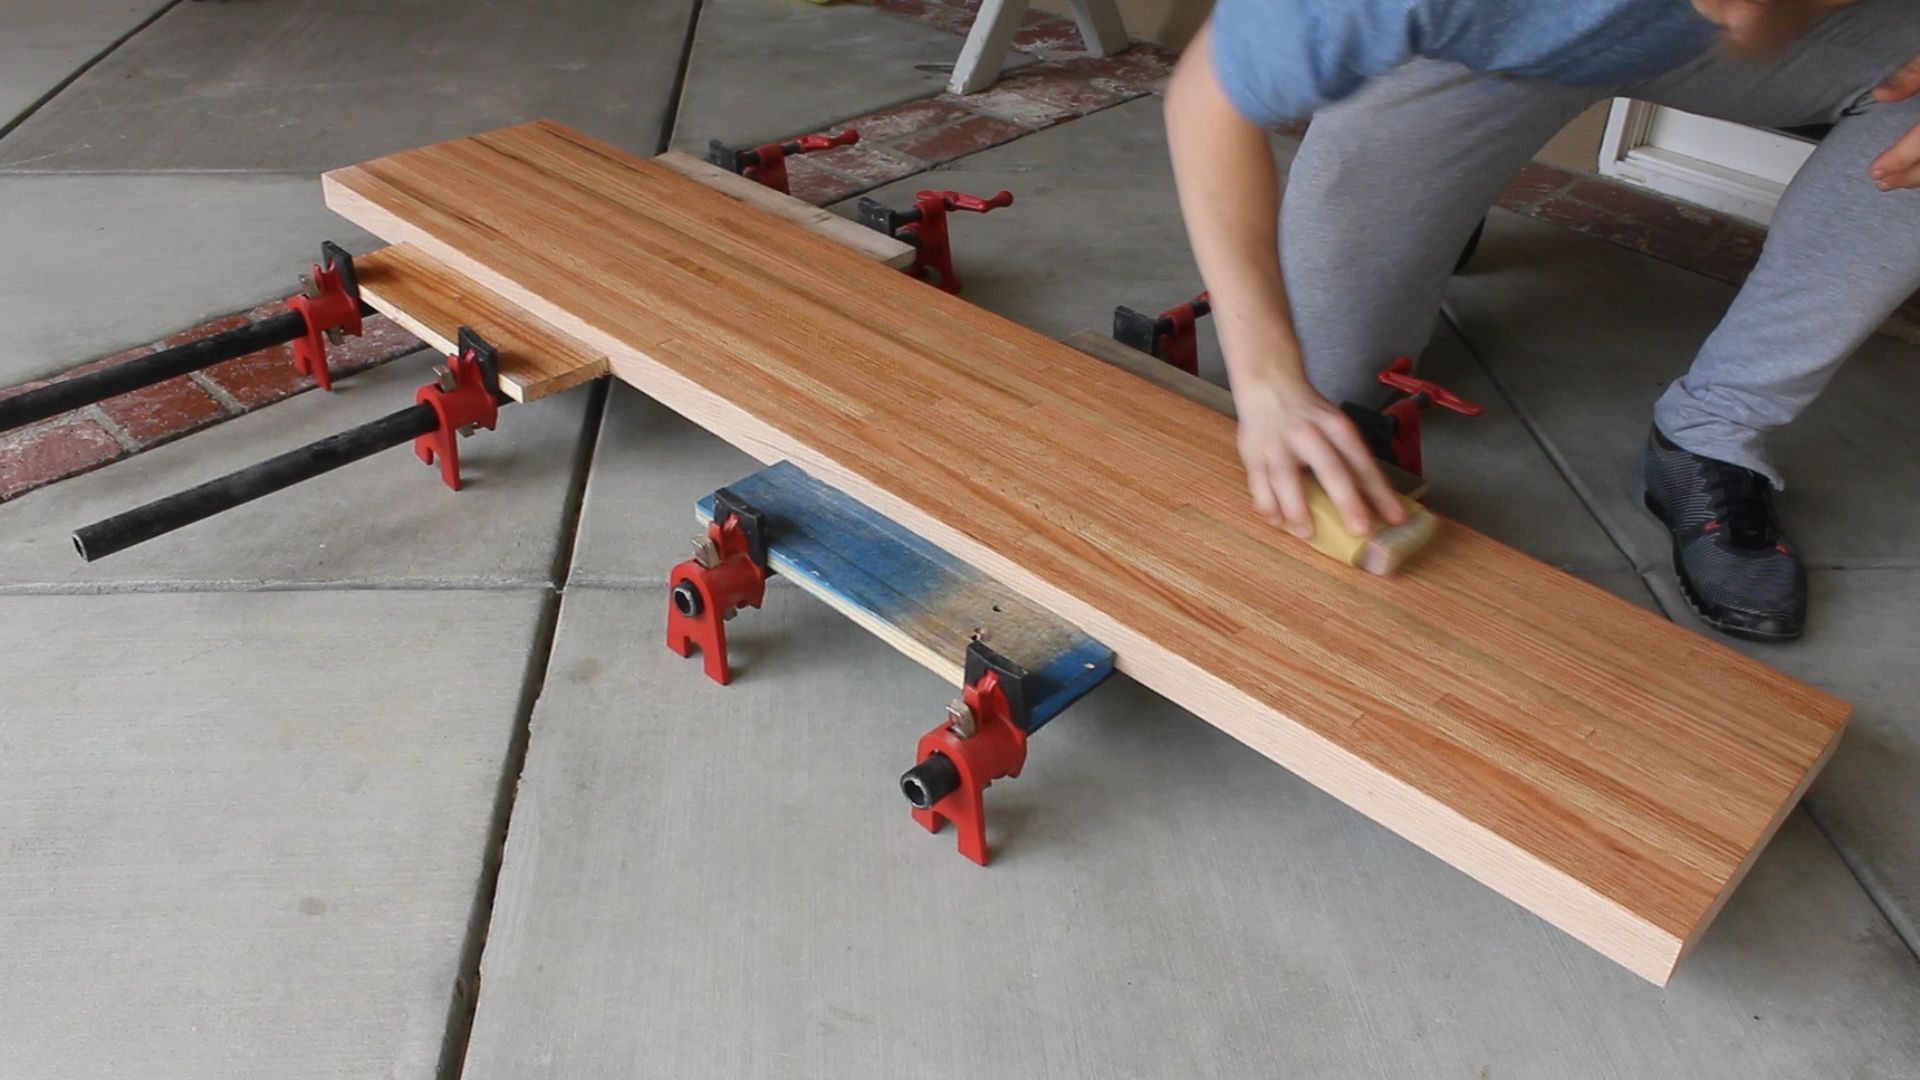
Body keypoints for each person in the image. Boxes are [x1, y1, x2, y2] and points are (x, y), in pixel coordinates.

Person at [1164, 0, 1920, 641]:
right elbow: (1205, 99)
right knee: (1327, 381)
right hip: (1485, 47)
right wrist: (1268, 380)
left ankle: (1713, 432)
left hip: (1851, 39)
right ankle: (1439, 203)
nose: (1748, 14)